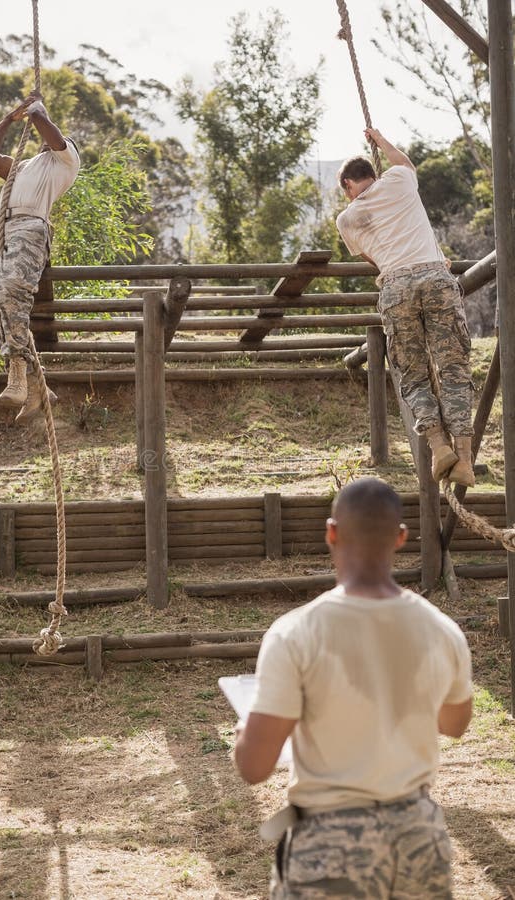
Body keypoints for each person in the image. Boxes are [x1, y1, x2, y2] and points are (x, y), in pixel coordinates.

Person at [235, 478, 473, 899]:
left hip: (331, 843)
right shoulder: (442, 630)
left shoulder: (295, 633)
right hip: (419, 838)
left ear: (331, 532)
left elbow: (254, 766)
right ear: (400, 538)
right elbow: (455, 722)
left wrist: (245, 730)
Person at [335, 128, 475, 488]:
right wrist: (379, 138)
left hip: (396, 286)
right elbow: (405, 162)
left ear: (350, 184)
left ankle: (438, 445)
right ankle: (464, 457)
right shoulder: (398, 179)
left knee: (413, 374)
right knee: (454, 369)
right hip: (435, 275)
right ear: (373, 173)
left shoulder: (347, 218)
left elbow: (373, 259)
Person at [0, 93, 80, 423]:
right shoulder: (20, 167)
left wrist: (38, 110)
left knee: (11, 292)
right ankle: (36, 383)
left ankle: (19, 374)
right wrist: (10, 119)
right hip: (1, 228)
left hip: (29, 226)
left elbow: (51, 133)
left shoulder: (64, 162)